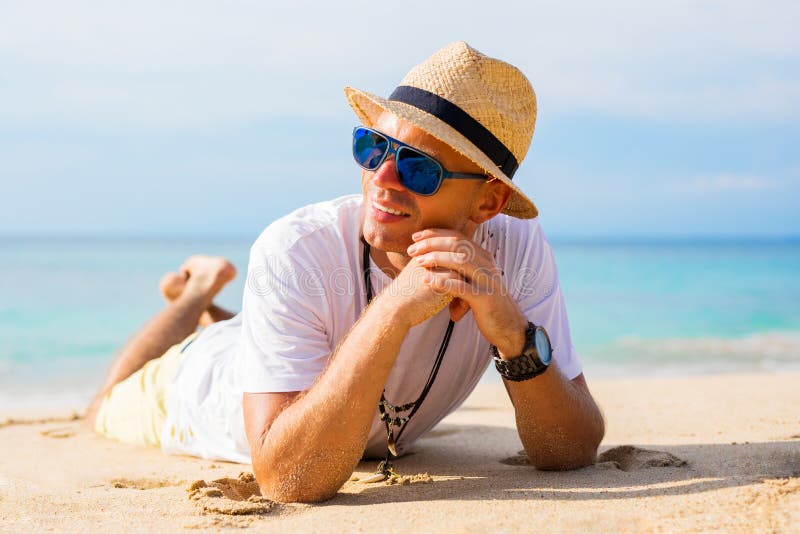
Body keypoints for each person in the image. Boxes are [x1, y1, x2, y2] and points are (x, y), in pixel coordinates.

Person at [85, 41, 605, 503]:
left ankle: (223, 311)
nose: (382, 177)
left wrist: (515, 339)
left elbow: (572, 449)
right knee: (104, 405)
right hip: (196, 386)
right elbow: (288, 480)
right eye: (373, 147)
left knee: (254, 332)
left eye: (420, 168)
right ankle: (196, 290)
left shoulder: (514, 251)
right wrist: (395, 310)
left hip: (308, 364)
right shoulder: (296, 249)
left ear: (489, 201)